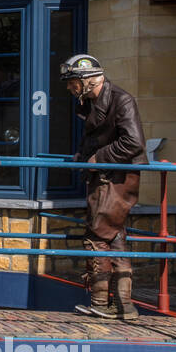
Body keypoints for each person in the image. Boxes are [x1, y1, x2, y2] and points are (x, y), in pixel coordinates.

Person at [60, 54, 147, 320]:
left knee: (98, 234)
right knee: (113, 234)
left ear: (87, 81)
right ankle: (124, 304)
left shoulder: (121, 100)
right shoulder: (92, 101)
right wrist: (81, 155)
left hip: (118, 178)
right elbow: (93, 136)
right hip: (105, 176)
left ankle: (100, 302)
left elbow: (134, 142)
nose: (69, 87)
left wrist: (99, 158)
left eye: (72, 81)